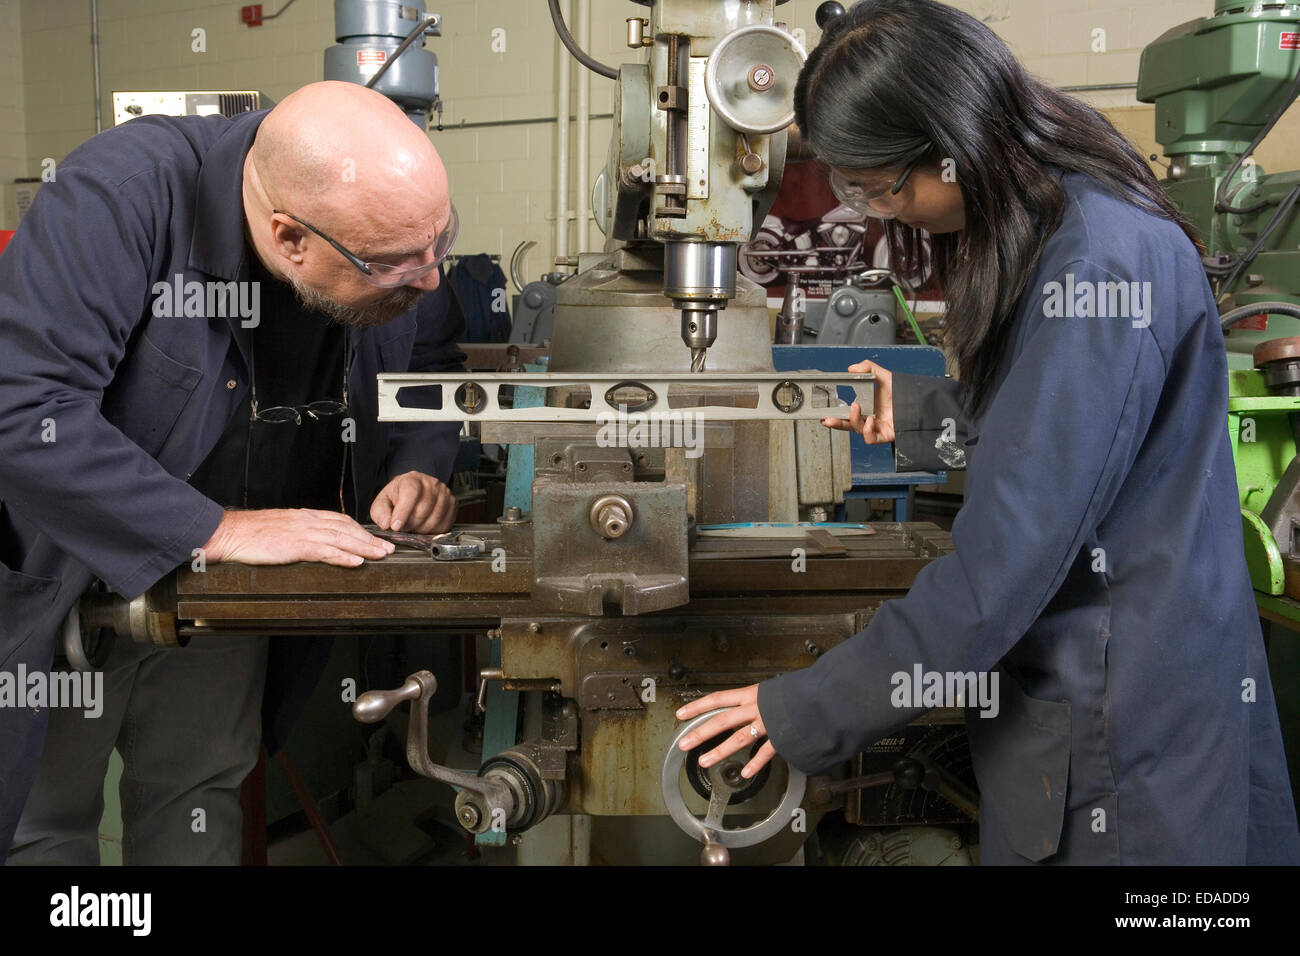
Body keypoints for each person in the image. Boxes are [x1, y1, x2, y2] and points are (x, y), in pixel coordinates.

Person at [677, 0, 1300, 864]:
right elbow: (1080, 436)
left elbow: (1007, 566)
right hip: (1118, 688)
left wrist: (804, 708)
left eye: (881, 187)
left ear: (950, 144)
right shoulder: (1066, 219)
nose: (883, 213)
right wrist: (932, 419)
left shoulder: (1096, 259)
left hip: (1122, 729)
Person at [0, 81, 464, 863]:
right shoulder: (115, 202)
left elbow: (431, 357)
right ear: (288, 238)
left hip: (231, 588)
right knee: (47, 823)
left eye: (440, 245)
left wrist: (418, 467)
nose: (429, 281)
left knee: (200, 799)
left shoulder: (393, 224)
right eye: (394, 267)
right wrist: (214, 527)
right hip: (75, 581)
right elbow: (22, 410)